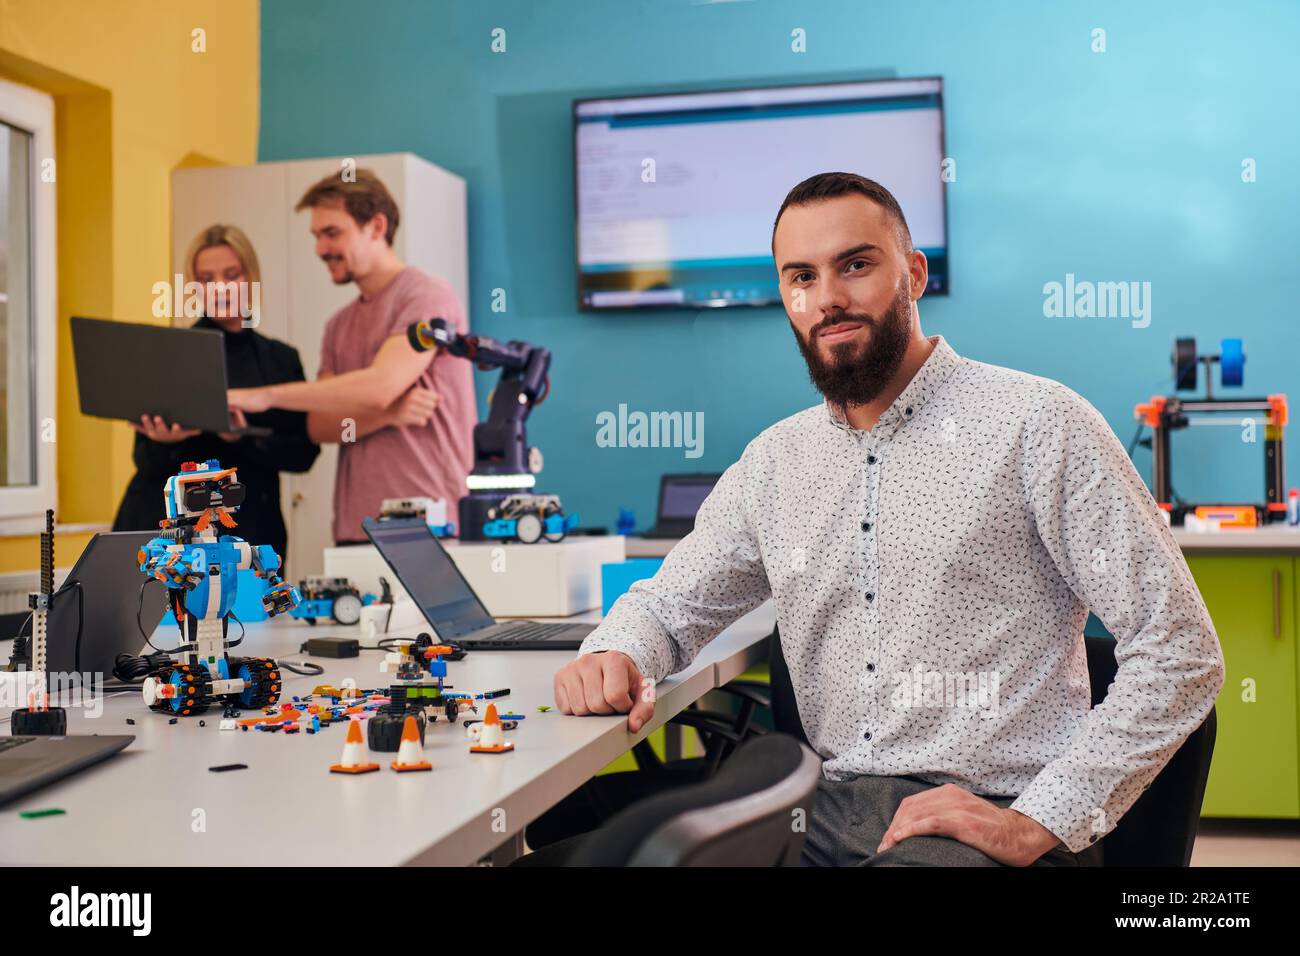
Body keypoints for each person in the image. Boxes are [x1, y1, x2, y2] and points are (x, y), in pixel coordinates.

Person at [538, 172, 1225, 867]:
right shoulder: (775, 462)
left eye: (856, 265)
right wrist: (616, 651)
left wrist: (1038, 820)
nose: (828, 297)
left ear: (914, 274)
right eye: (801, 276)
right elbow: (673, 603)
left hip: (987, 823)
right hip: (821, 814)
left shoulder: (1038, 424)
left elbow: (1180, 650)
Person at [226, 169, 476, 545]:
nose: (320, 249)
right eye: (316, 236)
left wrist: (265, 396)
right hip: (356, 529)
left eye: (332, 233)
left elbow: (380, 384)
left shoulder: (426, 297)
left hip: (431, 525)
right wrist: (388, 415)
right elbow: (321, 426)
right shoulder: (338, 325)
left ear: (376, 226)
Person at [112, 224, 319, 564]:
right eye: (206, 279)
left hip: (254, 531)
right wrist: (165, 441)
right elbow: (145, 462)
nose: (220, 288)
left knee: (256, 617)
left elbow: (303, 454)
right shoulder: (169, 354)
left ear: (251, 277)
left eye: (232, 275)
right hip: (172, 537)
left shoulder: (281, 360)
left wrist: (243, 440)